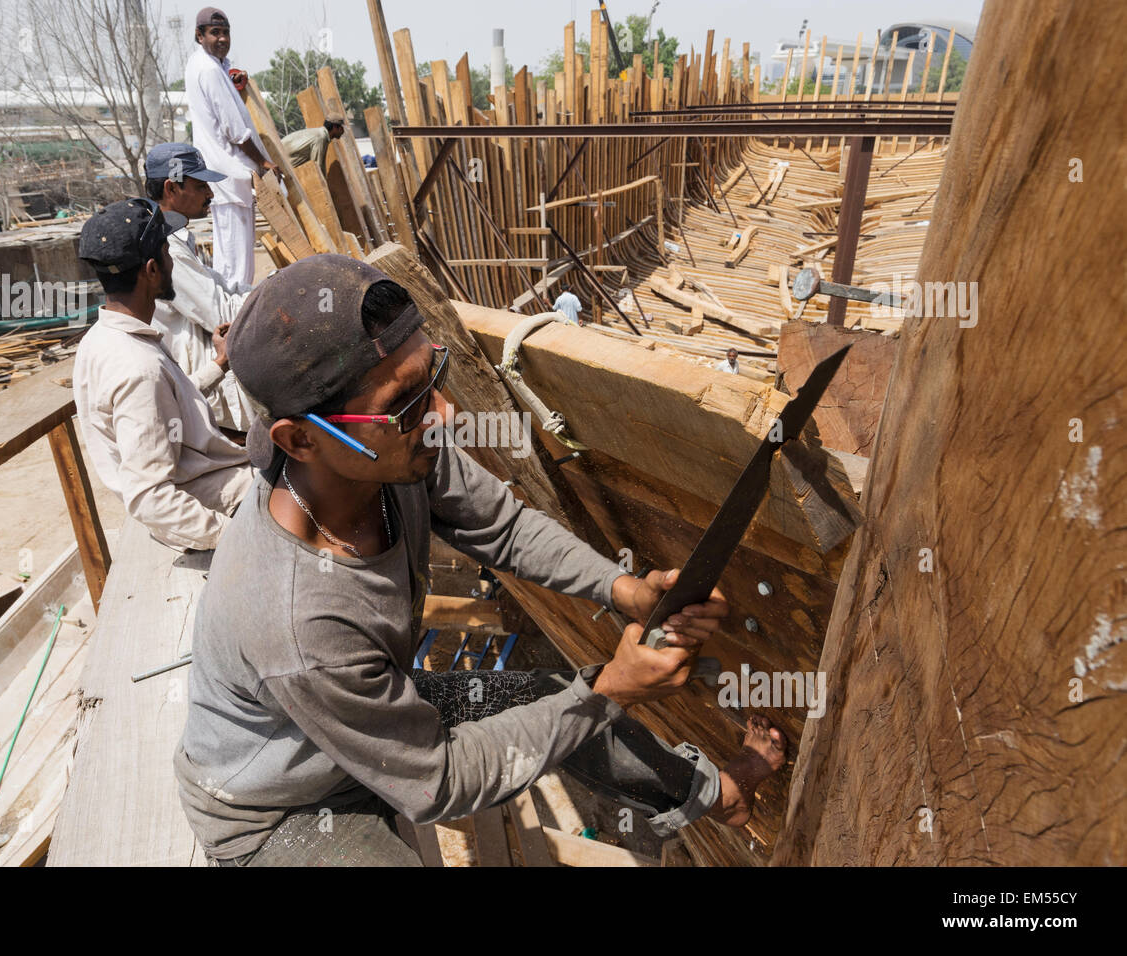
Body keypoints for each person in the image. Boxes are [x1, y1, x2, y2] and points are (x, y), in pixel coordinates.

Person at [174, 254, 787, 866]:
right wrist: (612, 689)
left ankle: (715, 794)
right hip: (280, 803)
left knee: (551, 697)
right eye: (407, 402)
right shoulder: (296, 621)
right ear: (302, 439)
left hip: (366, 721)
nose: (447, 415)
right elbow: (436, 782)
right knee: (580, 703)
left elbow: (505, 528)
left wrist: (622, 589)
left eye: (431, 374)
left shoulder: (393, 449)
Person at [73, 199, 254, 551]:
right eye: (169, 253)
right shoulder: (139, 368)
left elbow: (168, 404)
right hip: (216, 501)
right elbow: (151, 498)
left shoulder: (103, 339)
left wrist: (219, 363)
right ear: (153, 270)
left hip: (208, 482)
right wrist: (237, 541)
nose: (175, 263)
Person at [144, 142, 257, 434]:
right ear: (171, 188)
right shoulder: (167, 247)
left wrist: (265, 289)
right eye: (200, 185)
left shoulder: (177, 238)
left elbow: (222, 285)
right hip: (196, 382)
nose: (210, 194)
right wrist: (268, 296)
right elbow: (219, 313)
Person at [184, 7, 277, 288]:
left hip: (224, 174)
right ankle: (234, 320)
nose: (222, 39)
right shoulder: (210, 70)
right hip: (230, 173)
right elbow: (236, 132)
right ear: (199, 36)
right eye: (215, 33)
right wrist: (263, 163)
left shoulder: (205, 65)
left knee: (230, 256)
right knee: (237, 266)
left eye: (225, 33)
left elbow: (222, 79)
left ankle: (230, 314)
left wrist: (232, 76)